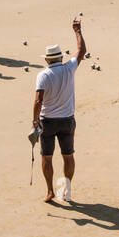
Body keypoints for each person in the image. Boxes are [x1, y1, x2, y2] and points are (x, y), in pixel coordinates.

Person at [32, 18, 86, 203]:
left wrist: (34, 121)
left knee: (46, 157)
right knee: (68, 155)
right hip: (67, 120)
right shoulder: (69, 69)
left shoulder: (43, 75)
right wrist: (77, 31)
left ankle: (49, 191)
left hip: (47, 121)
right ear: (61, 57)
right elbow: (81, 51)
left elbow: (38, 100)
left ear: (47, 59)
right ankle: (66, 189)